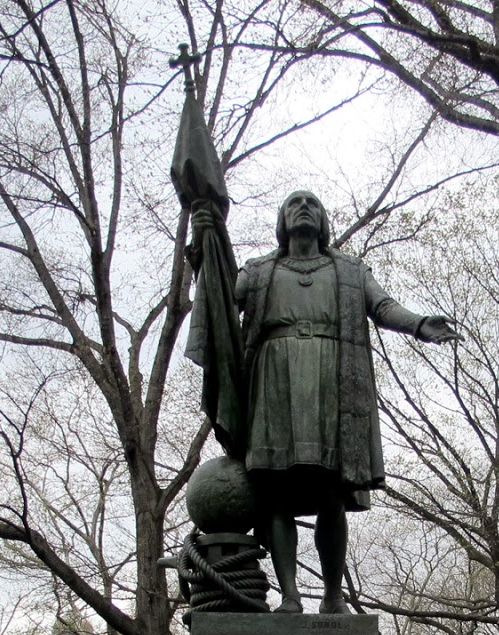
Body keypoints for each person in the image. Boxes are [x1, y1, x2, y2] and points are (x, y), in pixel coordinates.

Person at [188, 190, 457, 613]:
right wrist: (205, 248)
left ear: (324, 220)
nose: (304, 208)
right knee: (274, 491)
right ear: (281, 221)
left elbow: (383, 307)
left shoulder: (348, 270)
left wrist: (420, 324)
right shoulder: (259, 271)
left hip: (333, 380)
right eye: (294, 203)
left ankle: (333, 598)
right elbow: (221, 297)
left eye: (312, 203)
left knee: (331, 492)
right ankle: (290, 598)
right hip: (272, 383)